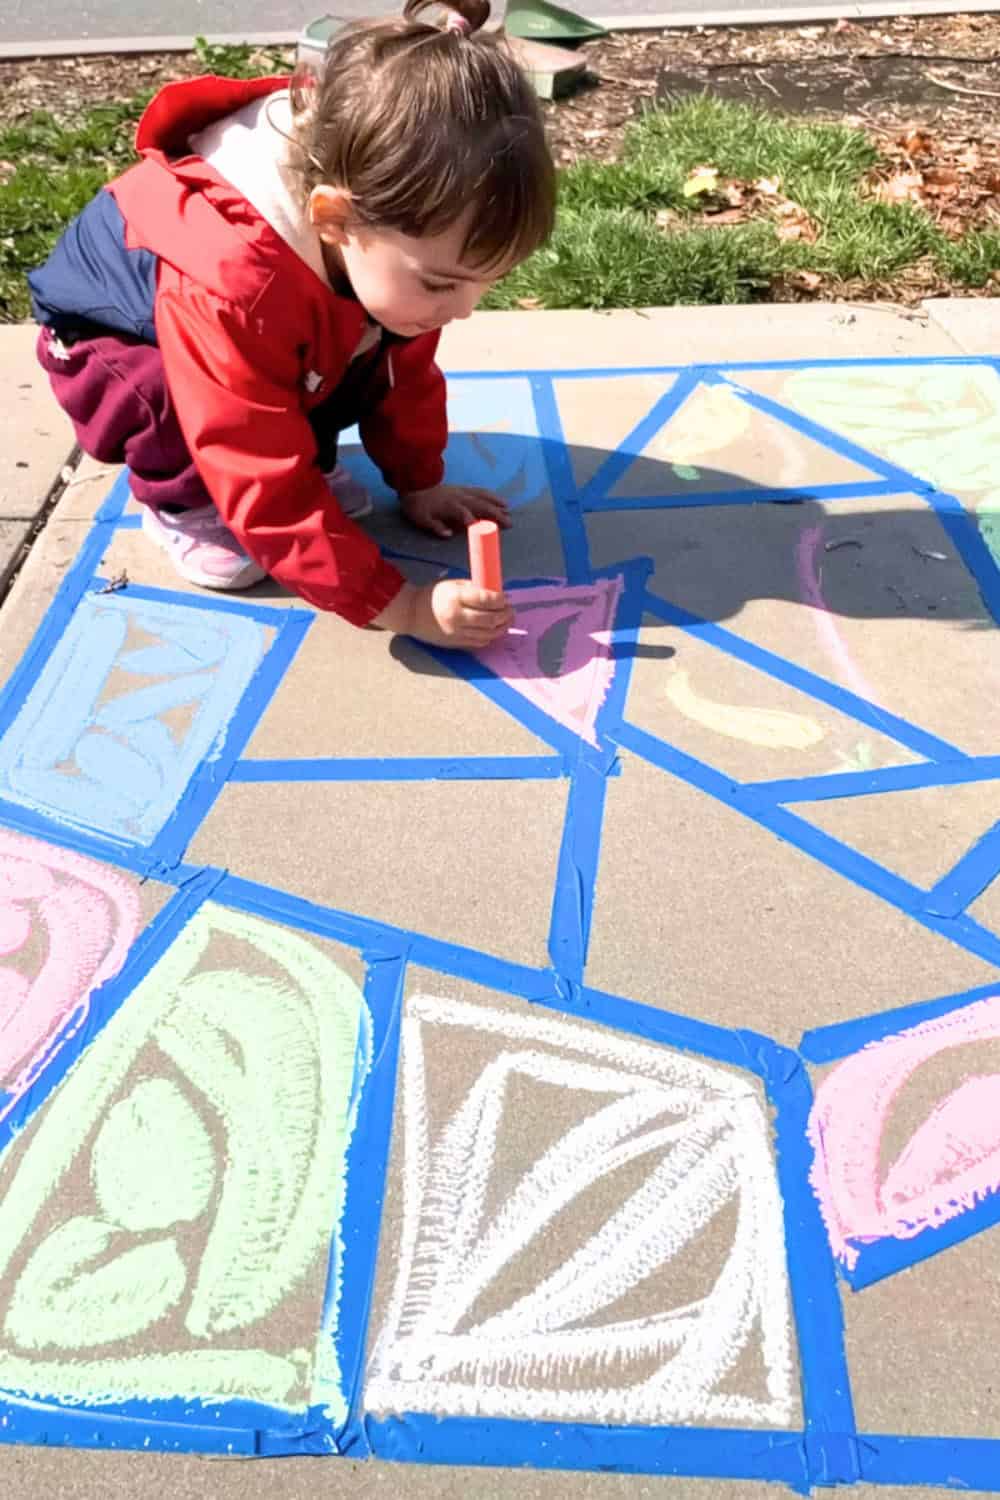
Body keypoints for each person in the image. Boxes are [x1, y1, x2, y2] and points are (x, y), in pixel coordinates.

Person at [28, 0, 555, 650]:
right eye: (444, 283)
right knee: (175, 397)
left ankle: (301, 436)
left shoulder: (394, 247)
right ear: (334, 219)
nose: (465, 307)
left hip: (268, 320)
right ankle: (181, 503)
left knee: (381, 332)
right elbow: (253, 464)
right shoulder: (233, 281)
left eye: (487, 281)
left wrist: (420, 482)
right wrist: (402, 604)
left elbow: (405, 367)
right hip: (112, 348)